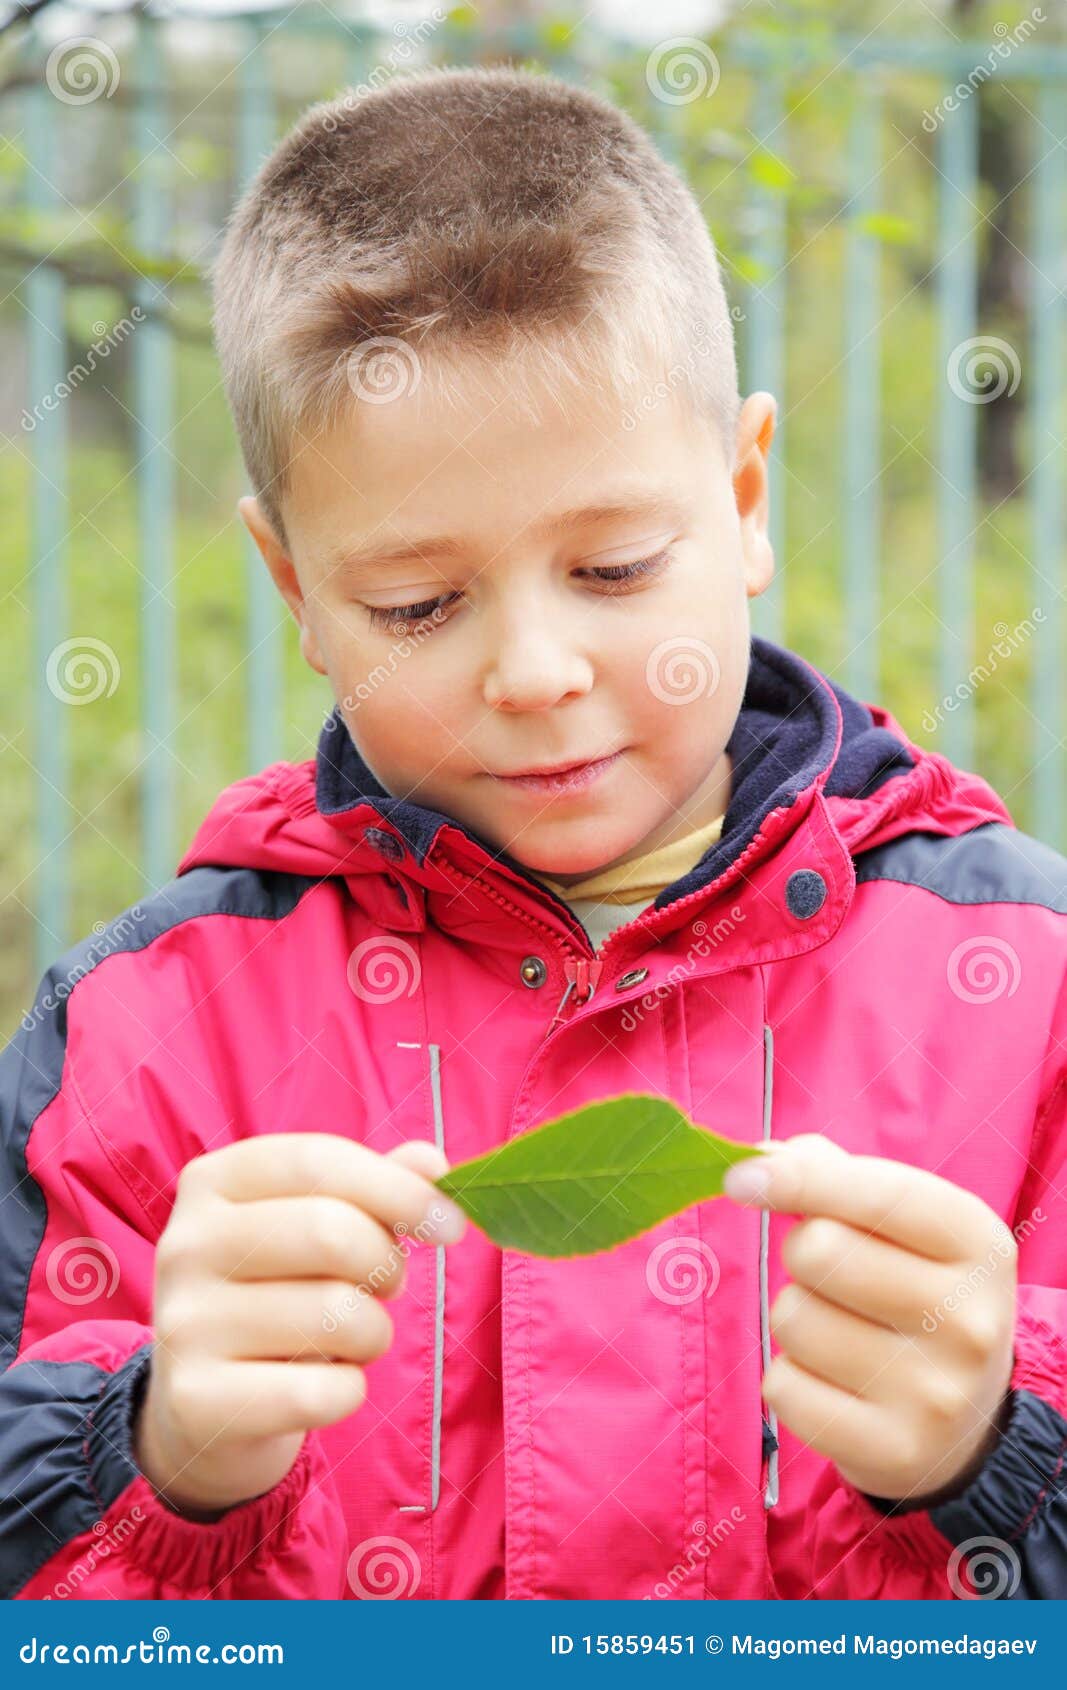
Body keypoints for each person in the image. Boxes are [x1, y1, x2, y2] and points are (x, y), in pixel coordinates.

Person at [1, 65, 1064, 1603]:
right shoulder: (138, 1045)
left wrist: (997, 1454)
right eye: (418, 605)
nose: (535, 672)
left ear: (748, 492)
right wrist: (148, 1456)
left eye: (617, 568)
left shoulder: (1033, 998)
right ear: (296, 590)